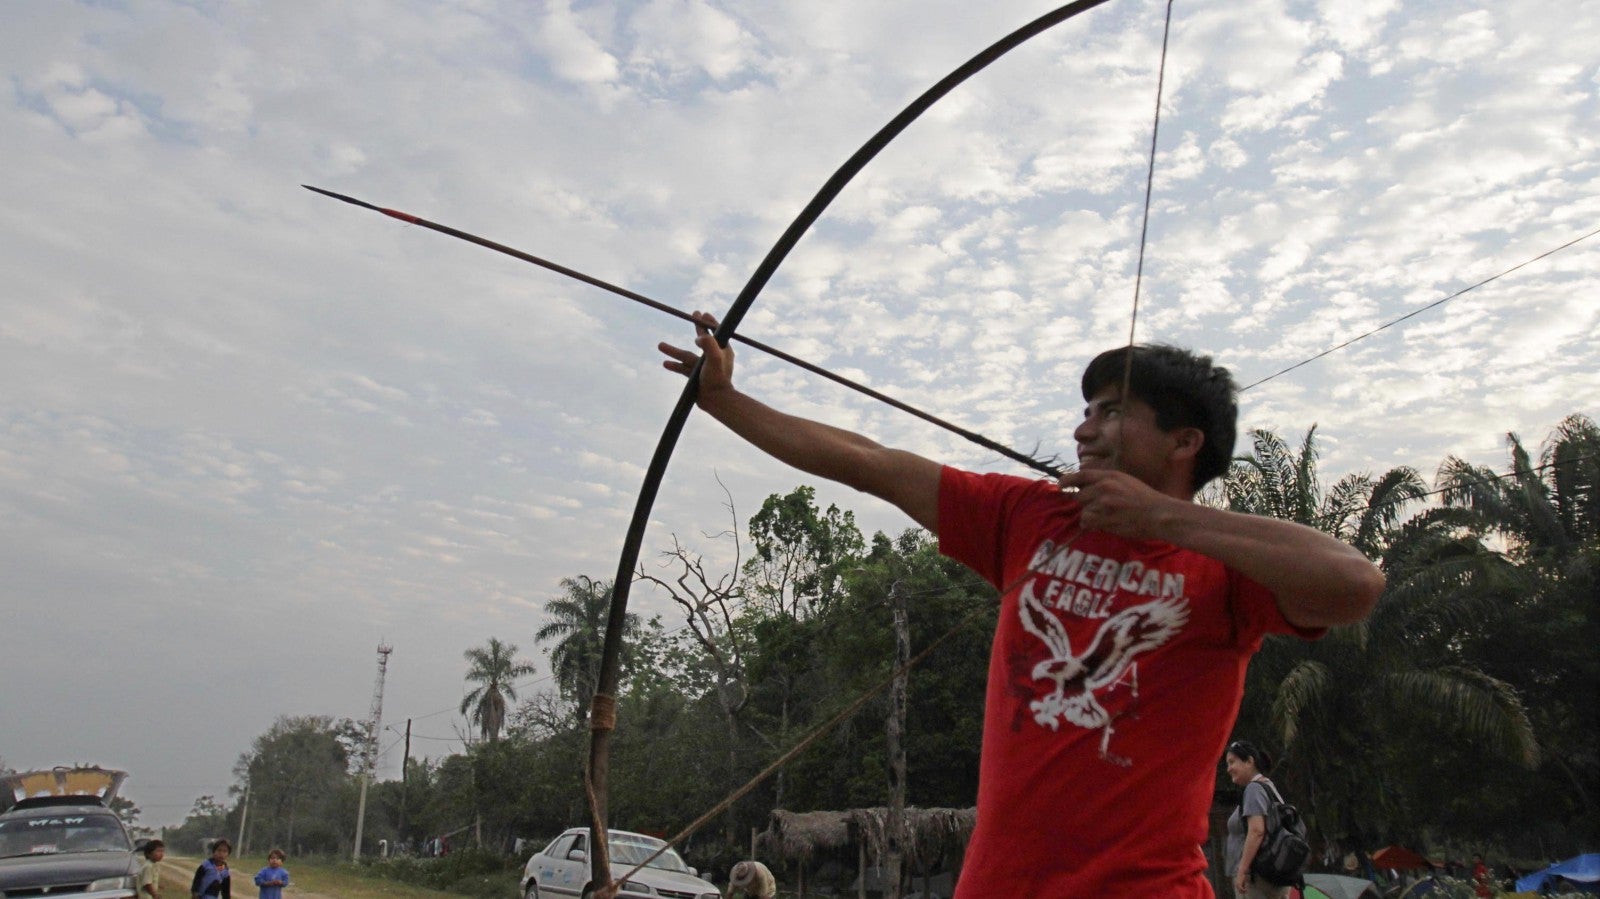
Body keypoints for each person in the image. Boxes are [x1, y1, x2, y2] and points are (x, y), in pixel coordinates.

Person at [659, 317, 1384, 897]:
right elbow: (868, 460)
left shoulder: (1227, 564)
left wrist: (1163, 520)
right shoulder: (1028, 515)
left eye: (1112, 411)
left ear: (1184, 442)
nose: (1083, 429)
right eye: (1085, 410)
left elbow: (1356, 582)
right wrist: (722, 399)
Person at [1224, 741, 1291, 898]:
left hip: (1255, 877)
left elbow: (1257, 830)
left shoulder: (1254, 789)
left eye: (1232, 762)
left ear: (1249, 761)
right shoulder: (1269, 788)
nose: (1228, 769)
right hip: (1274, 874)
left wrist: (1242, 870)